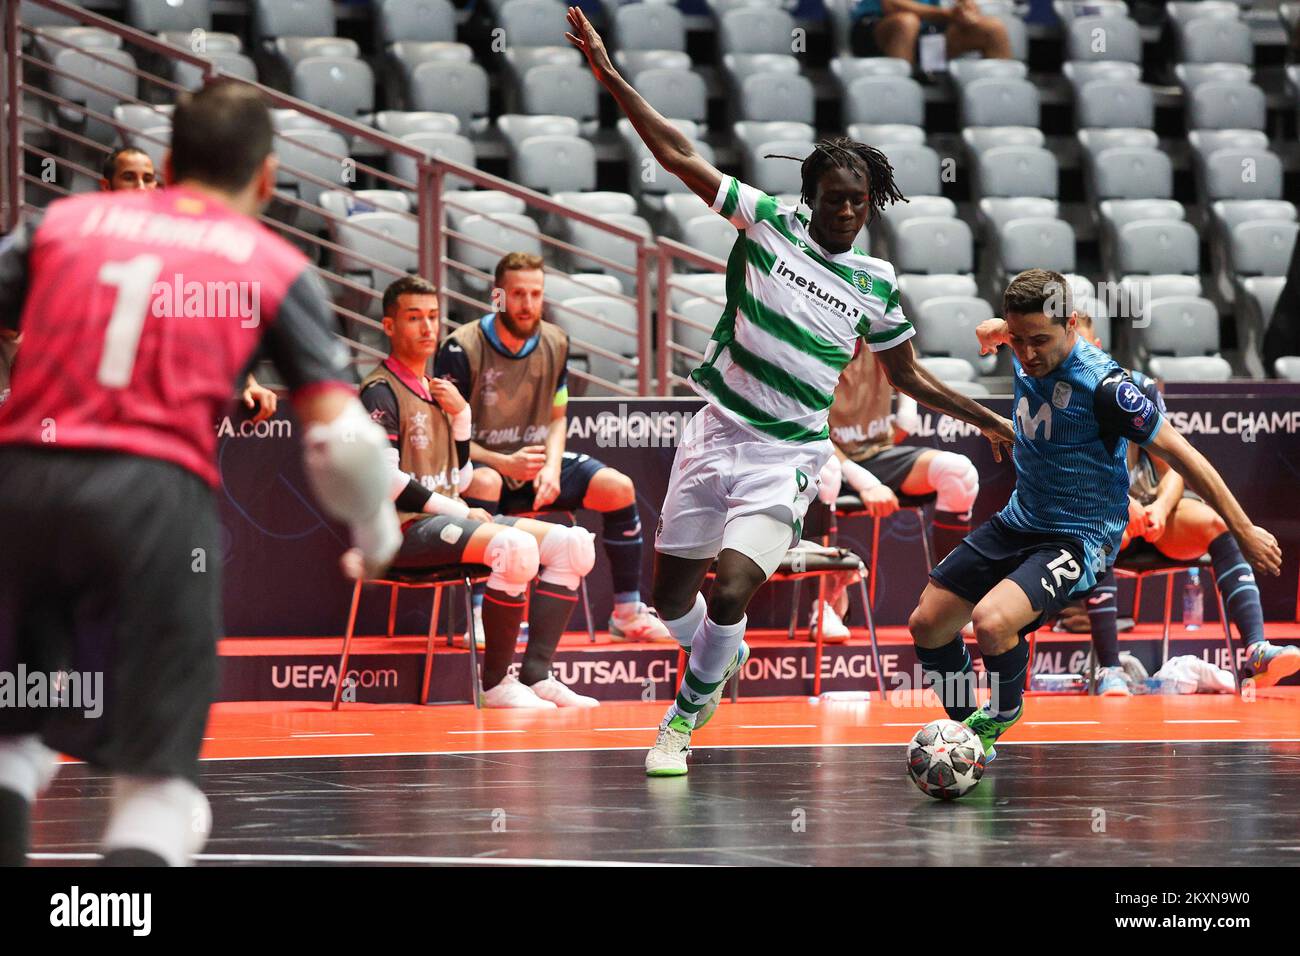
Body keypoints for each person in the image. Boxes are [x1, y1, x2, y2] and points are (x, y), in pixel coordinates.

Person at [565, 6, 1017, 777]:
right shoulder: (767, 223)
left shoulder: (876, 283)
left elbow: (906, 374)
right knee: (676, 603)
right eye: (835, 197)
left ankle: (679, 722)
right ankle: (715, 658)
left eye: (859, 201)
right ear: (810, 195)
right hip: (714, 433)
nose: (846, 211)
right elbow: (677, 155)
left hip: (789, 455)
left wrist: (984, 416)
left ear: (871, 204)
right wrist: (610, 76)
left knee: (732, 585)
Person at [0, 81, 401, 867]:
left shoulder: (60, 225)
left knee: (11, 738)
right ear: (266, 179)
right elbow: (343, 445)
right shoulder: (270, 262)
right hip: (151, 501)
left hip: (21, 487)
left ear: (173, 161)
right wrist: (378, 533)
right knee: (159, 794)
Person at [906, 270, 1281, 763]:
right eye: (1017, 341)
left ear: (1072, 325)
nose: (1027, 353)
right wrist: (993, 331)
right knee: (927, 625)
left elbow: (1185, 455)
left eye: (1040, 340)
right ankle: (965, 735)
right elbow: (997, 328)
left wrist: (1244, 527)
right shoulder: (1021, 339)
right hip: (1020, 518)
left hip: (1079, 536)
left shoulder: (1106, 388)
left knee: (992, 624)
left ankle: (1000, 716)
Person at [363, 275, 599, 708]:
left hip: (441, 519)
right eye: (414, 318)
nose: (428, 328)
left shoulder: (439, 392)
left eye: (433, 317)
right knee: (514, 549)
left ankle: (537, 675)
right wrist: (456, 509)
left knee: (573, 546)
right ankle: (495, 685)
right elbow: (387, 482)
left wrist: (463, 416)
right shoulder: (379, 391)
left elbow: (461, 473)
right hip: (400, 532)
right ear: (389, 326)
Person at [435, 252, 671, 643]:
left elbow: (558, 417)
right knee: (487, 482)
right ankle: (479, 616)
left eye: (536, 294)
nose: (528, 305)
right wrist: (503, 462)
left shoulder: (555, 340)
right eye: (518, 294)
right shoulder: (461, 348)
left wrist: (549, 466)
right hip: (481, 468)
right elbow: (446, 435)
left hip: (533, 464)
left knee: (617, 488)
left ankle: (627, 614)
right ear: (498, 296)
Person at [1069, 312, 1300, 694]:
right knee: (1101, 535)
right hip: (1097, 517)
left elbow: (1174, 465)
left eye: (1083, 345)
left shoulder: (1134, 387)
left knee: (1215, 524)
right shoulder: (1054, 397)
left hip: (1149, 514)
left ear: (1096, 347)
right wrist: (1119, 505)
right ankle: (1110, 669)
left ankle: (1257, 650)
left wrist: (1158, 507)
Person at [808, 346, 982, 641]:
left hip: (877, 454)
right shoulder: (815, 337)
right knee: (827, 475)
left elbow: (905, 359)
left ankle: (952, 606)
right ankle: (824, 606)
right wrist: (865, 483)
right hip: (824, 456)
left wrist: (906, 410)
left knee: (959, 473)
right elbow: (808, 428)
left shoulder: (878, 331)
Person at [98, 145, 278, 421]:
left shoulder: (175, 243)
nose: (141, 187)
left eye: (148, 179)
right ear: (106, 186)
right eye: (129, 177)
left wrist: (247, 382)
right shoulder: (89, 242)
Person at [848, 0, 1011, 65]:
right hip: (877, 28)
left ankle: (1005, 110)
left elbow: (966, 5)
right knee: (906, 22)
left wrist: (967, 13)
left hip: (928, 31)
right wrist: (946, 15)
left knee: (992, 28)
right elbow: (892, 5)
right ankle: (899, 101)